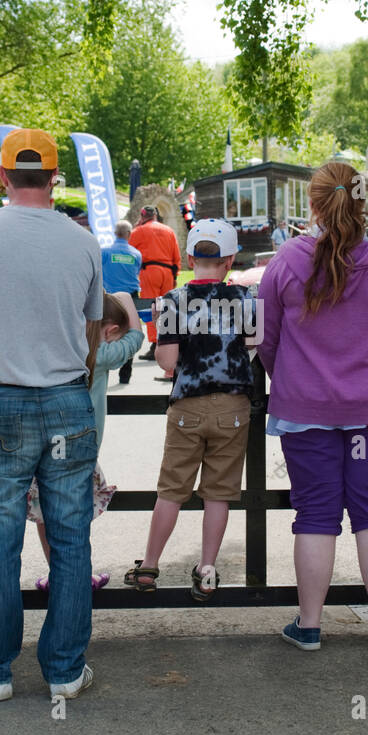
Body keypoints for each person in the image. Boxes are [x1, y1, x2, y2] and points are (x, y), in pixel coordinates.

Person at [0, 128, 103, 702]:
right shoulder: (83, 242)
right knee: (70, 539)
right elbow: (91, 316)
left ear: (4, 177)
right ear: (55, 179)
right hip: (66, 399)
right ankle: (63, 670)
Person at [257, 161, 368, 652]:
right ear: (364, 203)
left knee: (314, 515)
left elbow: (266, 341)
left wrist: (293, 378)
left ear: (312, 204)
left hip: (306, 410)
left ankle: (309, 626)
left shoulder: (284, 263)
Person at [124, 218, 255, 600]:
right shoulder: (247, 300)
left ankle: (149, 566)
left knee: (171, 490)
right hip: (233, 407)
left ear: (189, 257)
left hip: (187, 409)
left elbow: (166, 361)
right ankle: (208, 568)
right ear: (229, 259)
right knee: (218, 493)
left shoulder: (171, 301)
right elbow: (252, 346)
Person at [29, 291, 143, 590]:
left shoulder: (57, 348)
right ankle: (78, 573)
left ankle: (57, 572)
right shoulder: (101, 356)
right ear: (110, 331)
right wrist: (123, 296)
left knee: (45, 511)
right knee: (74, 515)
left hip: (44, 446)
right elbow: (137, 336)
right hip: (82, 450)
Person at [130, 205, 181, 362]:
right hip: (167, 273)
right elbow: (176, 256)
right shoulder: (169, 230)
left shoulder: (138, 231)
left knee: (150, 307)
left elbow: (129, 251)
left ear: (143, 216)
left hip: (149, 272)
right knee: (167, 308)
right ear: (156, 215)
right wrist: (174, 275)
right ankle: (169, 340)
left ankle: (155, 345)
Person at [101, 220, 143, 383]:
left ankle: (102, 372)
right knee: (130, 331)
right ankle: (125, 376)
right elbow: (137, 271)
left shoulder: (104, 252)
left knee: (105, 333)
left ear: (114, 233)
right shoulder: (136, 254)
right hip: (131, 298)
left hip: (109, 298)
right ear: (129, 234)